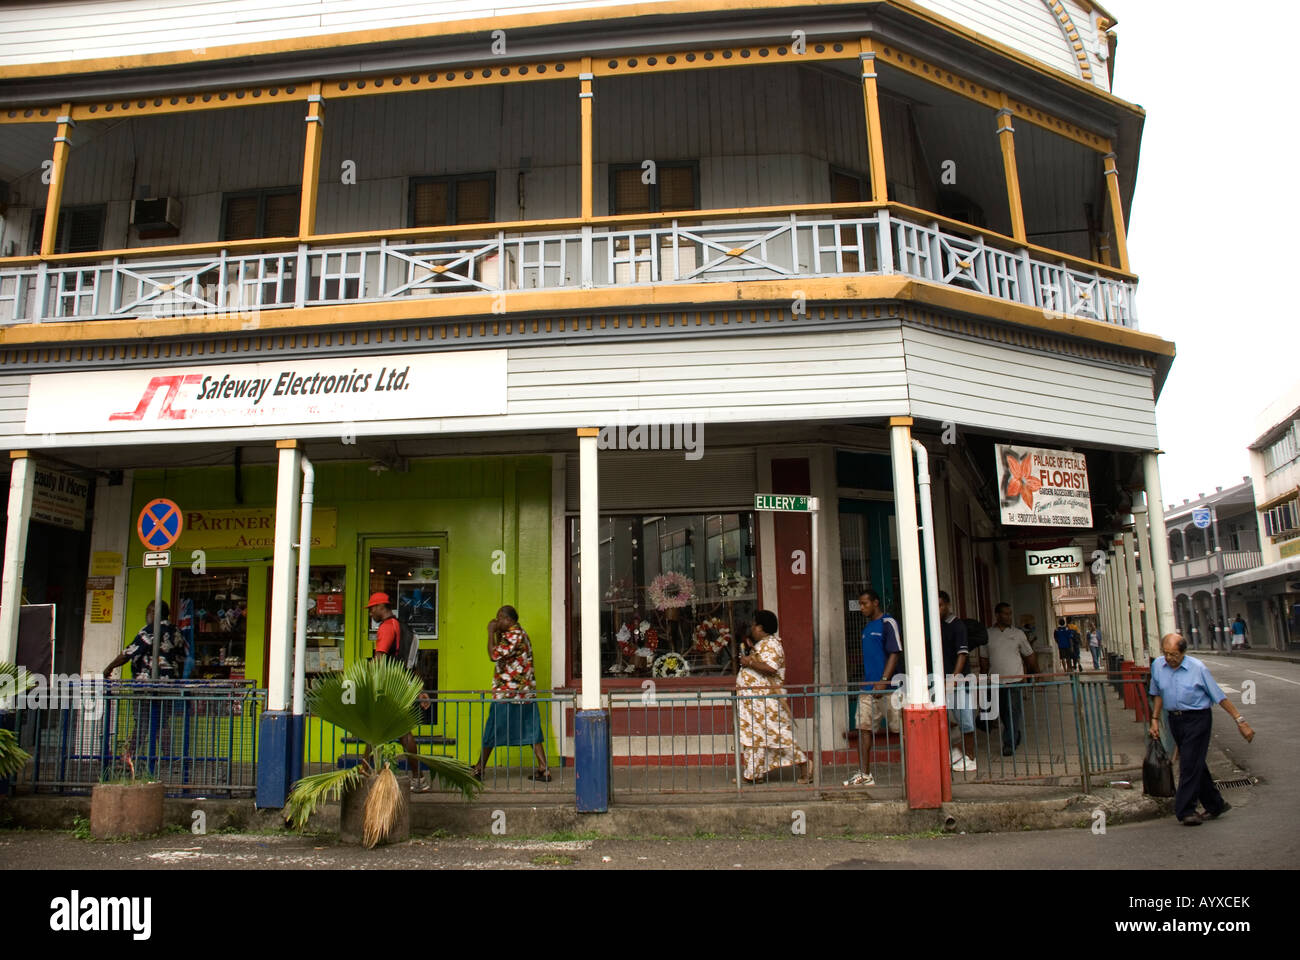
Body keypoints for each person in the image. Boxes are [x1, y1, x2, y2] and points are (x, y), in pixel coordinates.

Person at [1148, 632, 1255, 825]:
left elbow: (1219, 696)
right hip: (1175, 720)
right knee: (1196, 762)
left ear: (1183, 653)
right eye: (1166, 654)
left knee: (1188, 763)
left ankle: (1185, 809)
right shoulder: (1158, 666)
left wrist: (1240, 720)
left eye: (1174, 655)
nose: (1170, 659)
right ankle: (1215, 804)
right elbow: (1157, 693)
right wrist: (1154, 719)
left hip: (1198, 719)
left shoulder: (1197, 669)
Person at [471, 605, 551, 782]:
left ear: (508, 619)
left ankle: (479, 769)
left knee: (492, 729)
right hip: (523, 693)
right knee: (531, 730)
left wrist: (490, 632)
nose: (497, 621)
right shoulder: (520, 633)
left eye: (499, 618)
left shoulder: (512, 636)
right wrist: (498, 632)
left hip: (508, 694)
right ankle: (543, 768)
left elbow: (493, 655)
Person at [735, 610, 813, 784]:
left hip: (766, 702)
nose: (752, 628)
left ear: (760, 627)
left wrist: (749, 662)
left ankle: (805, 766)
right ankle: (753, 774)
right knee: (755, 738)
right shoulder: (762, 644)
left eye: (754, 624)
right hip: (754, 702)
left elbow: (771, 668)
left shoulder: (772, 644)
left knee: (778, 735)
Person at [368, 592, 428, 792]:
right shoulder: (404, 628)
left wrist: (370, 684)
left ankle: (362, 776)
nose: (370, 613)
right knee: (403, 733)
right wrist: (419, 690)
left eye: (371, 609)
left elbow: (379, 659)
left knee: (374, 732)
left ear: (380, 607)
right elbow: (412, 664)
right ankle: (417, 777)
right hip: (403, 686)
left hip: (388, 688)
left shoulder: (386, 628)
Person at [846, 589, 902, 786]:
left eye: (865, 604)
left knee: (901, 728)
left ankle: (913, 771)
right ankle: (865, 773)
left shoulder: (888, 623)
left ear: (875, 603)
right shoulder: (867, 628)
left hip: (890, 688)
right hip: (868, 688)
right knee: (863, 728)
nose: (862, 608)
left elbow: (895, 653)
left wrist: (884, 680)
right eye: (860, 604)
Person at [981, 602, 1038, 756]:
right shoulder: (988, 634)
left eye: (1010, 613)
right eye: (1005, 614)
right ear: (997, 615)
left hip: (1015, 680)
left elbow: (1029, 655)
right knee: (1003, 714)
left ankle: (1008, 743)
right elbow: (984, 661)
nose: (1008, 617)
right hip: (995, 681)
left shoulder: (1018, 634)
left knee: (1013, 712)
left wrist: (1036, 673)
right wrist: (982, 681)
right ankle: (1014, 735)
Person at [938, 591, 976, 772]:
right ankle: (952, 753)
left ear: (947, 605)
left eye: (941, 605)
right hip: (939, 681)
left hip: (958, 681)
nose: (938, 609)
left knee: (965, 720)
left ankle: (970, 757)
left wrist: (954, 677)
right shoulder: (934, 626)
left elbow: (962, 654)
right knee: (945, 720)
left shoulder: (956, 625)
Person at [103, 601, 187, 679]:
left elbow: (128, 653)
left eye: (147, 612)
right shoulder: (176, 631)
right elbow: (182, 659)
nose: (146, 616)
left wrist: (110, 667)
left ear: (154, 612)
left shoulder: (150, 630)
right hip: (171, 684)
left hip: (150, 684)